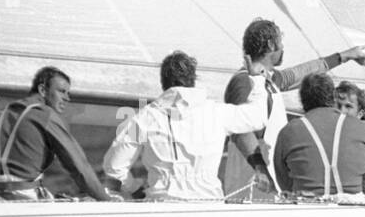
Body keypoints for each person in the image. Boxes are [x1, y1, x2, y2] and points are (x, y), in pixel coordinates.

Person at [221, 18, 365, 199]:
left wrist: (345, 56)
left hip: (267, 178)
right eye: (281, 43)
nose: (283, 48)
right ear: (270, 44)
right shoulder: (243, 81)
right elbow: (240, 130)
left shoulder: (270, 78)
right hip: (251, 179)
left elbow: (302, 72)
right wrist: (260, 168)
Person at [104, 51, 270, 201]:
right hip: (208, 206)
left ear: (163, 84)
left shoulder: (143, 118)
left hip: (160, 207)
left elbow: (114, 168)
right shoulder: (217, 112)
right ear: (193, 81)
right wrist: (256, 79)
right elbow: (258, 118)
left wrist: (135, 190)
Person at [0, 66, 112, 202]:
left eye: (68, 93)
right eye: (61, 91)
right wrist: (106, 200)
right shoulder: (45, 115)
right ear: (42, 90)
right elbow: (79, 166)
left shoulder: (6, 112)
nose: (67, 98)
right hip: (18, 196)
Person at [274, 73, 365, 203]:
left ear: (302, 100)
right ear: (333, 97)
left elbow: (283, 180)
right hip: (352, 209)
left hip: (306, 207)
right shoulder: (363, 130)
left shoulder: (289, 131)